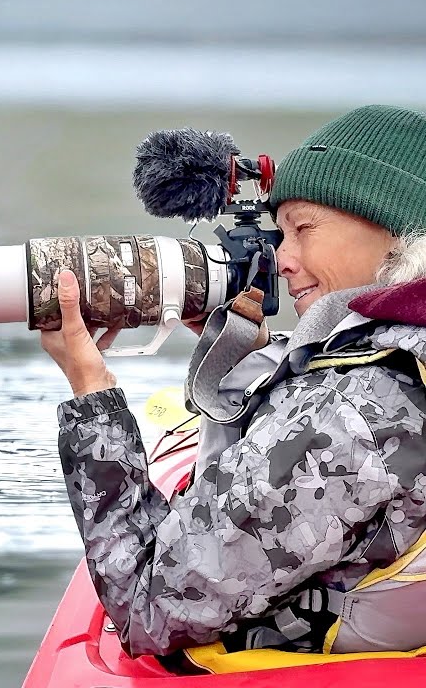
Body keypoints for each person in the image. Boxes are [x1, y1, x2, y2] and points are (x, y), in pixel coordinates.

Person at [40, 104, 426, 659]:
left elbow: (148, 607)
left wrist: (91, 395)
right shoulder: (401, 366)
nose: (282, 259)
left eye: (303, 229)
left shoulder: (353, 413)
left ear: (398, 233)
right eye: (279, 233)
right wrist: (238, 360)